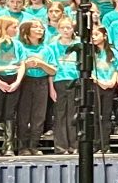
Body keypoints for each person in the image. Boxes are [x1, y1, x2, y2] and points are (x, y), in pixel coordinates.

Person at [13, 20, 56, 156]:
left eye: (41, 28)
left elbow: (53, 70)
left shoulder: (47, 49)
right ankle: (22, 146)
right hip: (25, 82)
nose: (39, 30)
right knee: (23, 115)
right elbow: (15, 66)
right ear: (27, 30)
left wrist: (41, 64)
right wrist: (26, 65)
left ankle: (34, 145)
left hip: (41, 82)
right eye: (35, 27)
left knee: (39, 116)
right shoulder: (21, 47)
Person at [49, 17, 81, 155]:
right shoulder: (52, 46)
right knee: (60, 114)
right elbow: (51, 69)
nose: (66, 30)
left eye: (69, 27)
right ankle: (61, 147)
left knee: (73, 114)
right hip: (59, 81)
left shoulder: (78, 44)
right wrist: (51, 88)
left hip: (75, 81)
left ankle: (74, 145)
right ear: (58, 29)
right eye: (63, 28)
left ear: (73, 29)